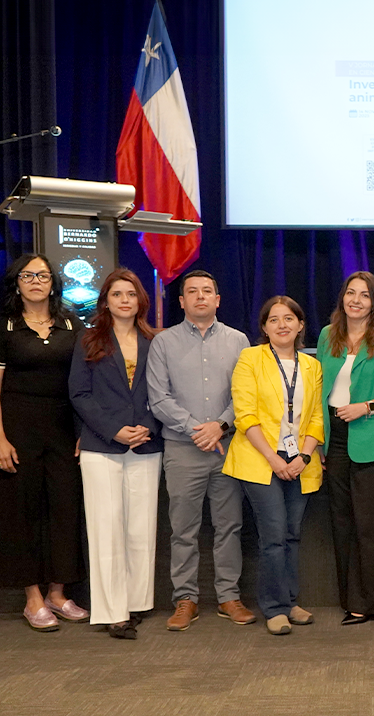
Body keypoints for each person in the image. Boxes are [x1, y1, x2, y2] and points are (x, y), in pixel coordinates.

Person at [0, 254, 87, 631]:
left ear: (54, 282)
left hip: (63, 427)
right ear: (17, 283)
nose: (36, 280)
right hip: (18, 428)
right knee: (21, 513)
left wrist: (83, 431)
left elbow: (84, 384)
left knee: (65, 509)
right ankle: (33, 598)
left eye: (43, 274)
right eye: (28, 275)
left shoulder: (72, 323)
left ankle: (58, 594)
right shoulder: (2, 329)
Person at [148, 270, 254, 630]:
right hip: (183, 449)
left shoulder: (239, 341)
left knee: (230, 527)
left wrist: (220, 427)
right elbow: (158, 398)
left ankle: (229, 597)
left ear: (218, 299)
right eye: (191, 292)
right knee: (183, 530)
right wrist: (198, 430)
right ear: (181, 301)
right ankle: (185, 600)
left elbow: (246, 396)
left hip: (228, 447)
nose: (200, 297)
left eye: (207, 291)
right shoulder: (163, 343)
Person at [69, 268, 163, 639]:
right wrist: (113, 429)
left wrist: (148, 427)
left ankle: (137, 602)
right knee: (106, 529)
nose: (124, 300)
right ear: (105, 300)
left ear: (141, 300)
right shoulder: (89, 340)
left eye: (131, 294)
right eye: (116, 294)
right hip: (101, 446)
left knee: (141, 529)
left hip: (146, 443)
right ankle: (112, 611)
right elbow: (79, 394)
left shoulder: (155, 341)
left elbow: (163, 394)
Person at [223, 296, 324, 636]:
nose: (282, 325)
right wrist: (273, 458)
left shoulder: (312, 366)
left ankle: (291, 601)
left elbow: (316, 418)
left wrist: (304, 457)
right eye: (274, 320)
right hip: (260, 459)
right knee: (274, 536)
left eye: (289, 318)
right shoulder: (250, 358)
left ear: (300, 325)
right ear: (264, 328)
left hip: (300, 462)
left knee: (292, 535)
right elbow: (245, 414)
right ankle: (275, 608)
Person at [318, 271, 374, 625]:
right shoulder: (328, 336)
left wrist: (367, 406)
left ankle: (370, 602)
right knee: (342, 523)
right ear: (343, 298)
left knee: (369, 527)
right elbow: (320, 388)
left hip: (372, 437)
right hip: (334, 439)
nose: (356, 300)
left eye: (365, 295)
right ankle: (349, 599)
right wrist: (320, 441)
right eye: (351, 293)